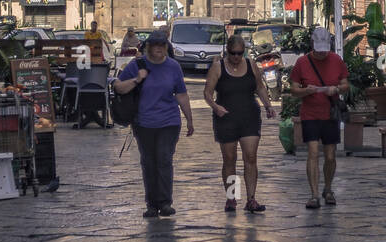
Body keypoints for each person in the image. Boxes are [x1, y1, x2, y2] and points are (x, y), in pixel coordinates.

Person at [114, 28, 194, 219]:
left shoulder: (174, 67)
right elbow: (118, 87)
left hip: (169, 122)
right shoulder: (137, 65)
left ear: (166, 47)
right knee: (149, 163)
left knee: (164, 159)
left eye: (162, 45)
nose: (158, 48)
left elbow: (181, 94)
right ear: (148, 47)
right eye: (155, 45)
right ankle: (152, 204)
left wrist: (190, 120)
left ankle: (165, 203)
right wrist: (137, 79)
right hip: (144, 124)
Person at [204, 33, 276, 214]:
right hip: (226, 117)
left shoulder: (251, 64)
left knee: (250, 157)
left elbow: (259, 86)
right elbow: (207, 92)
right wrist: (215, 106)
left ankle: (251, 199)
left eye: (239, 53)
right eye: (233, 53)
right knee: (229, 159)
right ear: (227, 51)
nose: (236, 57)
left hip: (249, 116)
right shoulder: (218, 67)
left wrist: (268, 105)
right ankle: (232, 197)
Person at [289, 27, 349, 210]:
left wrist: (336, 90)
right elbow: (293, 89)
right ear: (312, 45)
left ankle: (328, 189)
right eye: (318, 50)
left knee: (330, 155)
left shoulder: (336, 60)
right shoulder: (302, 62)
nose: (322, 54)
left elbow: (346, 84)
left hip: (329, 113)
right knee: (313, 152)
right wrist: (305, 91)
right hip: (310, 114)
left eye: (324, 50)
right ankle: (314, 194)